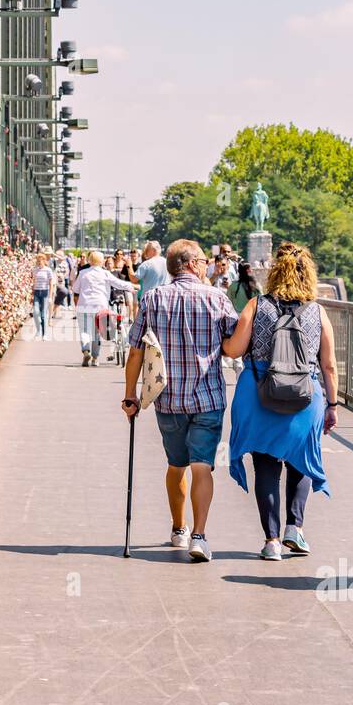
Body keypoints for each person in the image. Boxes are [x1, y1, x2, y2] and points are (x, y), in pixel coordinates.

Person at [122, 240, 239, 563]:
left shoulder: (154, 298)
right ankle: (200, 537)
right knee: (203, 467)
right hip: (208, 398)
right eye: (202, 260)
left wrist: (130, 394)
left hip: (168, 398)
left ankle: (179, 527)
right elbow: (231, 348)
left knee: (177, 465)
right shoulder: (217, 298)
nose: (206, 265)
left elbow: (135, 350)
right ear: (190, 264)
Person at [222, 243, 338, 559]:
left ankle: (271, 541)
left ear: (274, 273)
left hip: (260, 393)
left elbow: (233, 350)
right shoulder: (318, 311)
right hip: (305, 395)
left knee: (265, 465)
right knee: (300, 461)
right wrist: (332, 404)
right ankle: (294, 530)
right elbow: (328, 364)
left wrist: (223, 338)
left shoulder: (256, 306)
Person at [72, 250, 135, 367]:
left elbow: (75, 289)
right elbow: (118, 283)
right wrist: (132, 287)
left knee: (84, 331)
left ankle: (86, 350)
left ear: (90, 260)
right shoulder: (105, 273)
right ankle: (95, 358)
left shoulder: (83, 273)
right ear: (101, 261)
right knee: (96, 332)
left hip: (84, 305)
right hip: (100, 306)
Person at [32, 254, 55, 340]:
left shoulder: (48, 270)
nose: (38, 262)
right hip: (37, 292)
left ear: (44, 261)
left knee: (43, 314)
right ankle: (38, 330)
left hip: (45, 292)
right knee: (35, 312)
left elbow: (51, 284)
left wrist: (50, 296)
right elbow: (33, 282)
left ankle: (44, 334)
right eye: (37, 261)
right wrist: (32, 293)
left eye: (40, 261)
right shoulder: (35, 270)